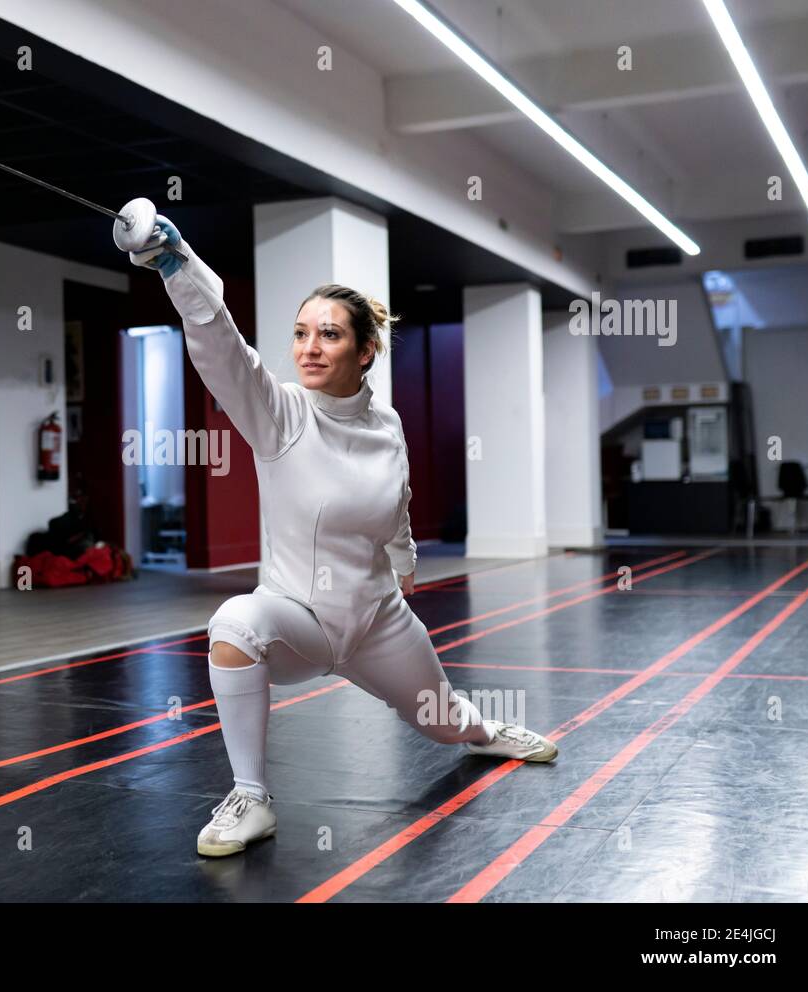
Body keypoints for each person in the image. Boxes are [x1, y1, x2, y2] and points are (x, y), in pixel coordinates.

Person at [123, 216, 558, 859]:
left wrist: (406, 558)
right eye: (301, 334)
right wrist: (176, 263)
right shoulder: (280, 415)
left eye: (329, 335)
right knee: (235, 624)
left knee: (445, 722)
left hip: (378, 619)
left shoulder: (386, 423)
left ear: (365, 351)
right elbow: (223, 349)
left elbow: (399, 499)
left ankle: (486, 732)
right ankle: (251, 798)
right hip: (299, 618)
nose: (309, 348)